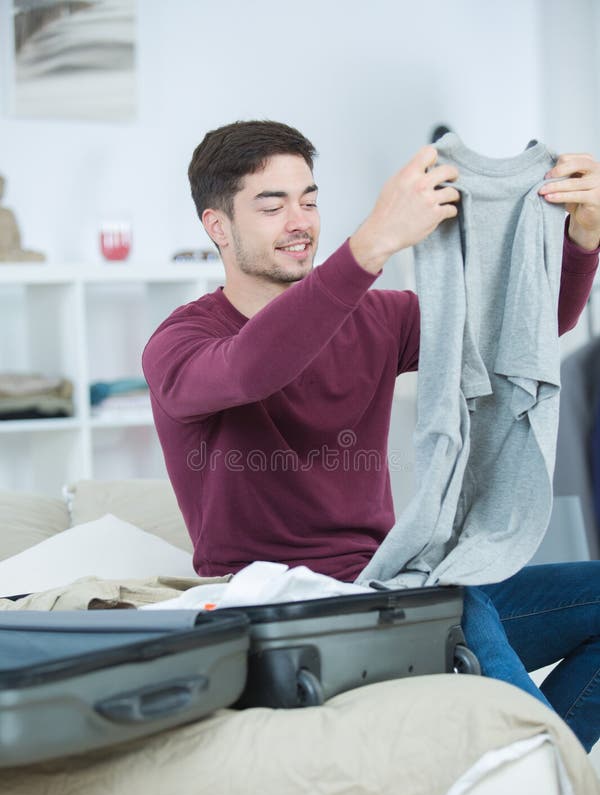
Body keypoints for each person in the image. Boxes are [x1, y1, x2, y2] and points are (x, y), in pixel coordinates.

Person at [143, 120, 600, 752]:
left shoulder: (377, 321)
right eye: (272, 205)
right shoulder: (181, 344)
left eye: (309, 198)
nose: (299, 220)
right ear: (217, 226)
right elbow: (254, 367)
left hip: (392, 589)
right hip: (290, 618)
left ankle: (538, 773)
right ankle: (539, 772)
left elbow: (520, 331)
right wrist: (370, 245)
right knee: (460, 609)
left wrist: (583, 239)